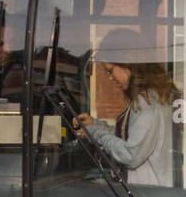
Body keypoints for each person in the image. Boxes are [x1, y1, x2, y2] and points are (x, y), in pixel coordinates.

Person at [74, 29, 175, 188]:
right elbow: (130, 136)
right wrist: (96, 125)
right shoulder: (150, 97)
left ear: (127, 62)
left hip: (147, 195)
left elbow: (130, 155)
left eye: (110, 70)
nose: (109, 77)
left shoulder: (147, 102)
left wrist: (95, 131)